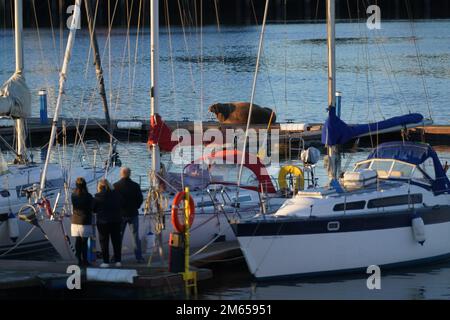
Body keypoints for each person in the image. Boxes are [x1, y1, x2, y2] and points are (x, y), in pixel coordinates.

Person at [114, 167, 144, 262]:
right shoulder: (135, 185)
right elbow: (140, 199)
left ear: (121, 174)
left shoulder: (115, 186)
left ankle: (116, 257)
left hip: (120, 214)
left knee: (118, 237)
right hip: (133, 213)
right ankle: (139, 257)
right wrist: (136, 206)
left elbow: (113, 200)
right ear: (130, 174)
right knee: (135, 236)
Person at [93, 179, 123, 268]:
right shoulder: (117, 195)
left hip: (103, 222)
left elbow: (93, 209)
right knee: (116, 241)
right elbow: (122, 204)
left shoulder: (97, 197)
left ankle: (106, 261)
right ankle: (118, 261)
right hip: (116, 221)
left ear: (99, 187)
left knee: (104, 242)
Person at [71, 177, 94, 267]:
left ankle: (79, 260)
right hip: (85, 221)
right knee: (84, 243)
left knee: (78, 242)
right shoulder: (88, 196)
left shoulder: (73, 195)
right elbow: (92, 207)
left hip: (75, 221)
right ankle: (85, 261)